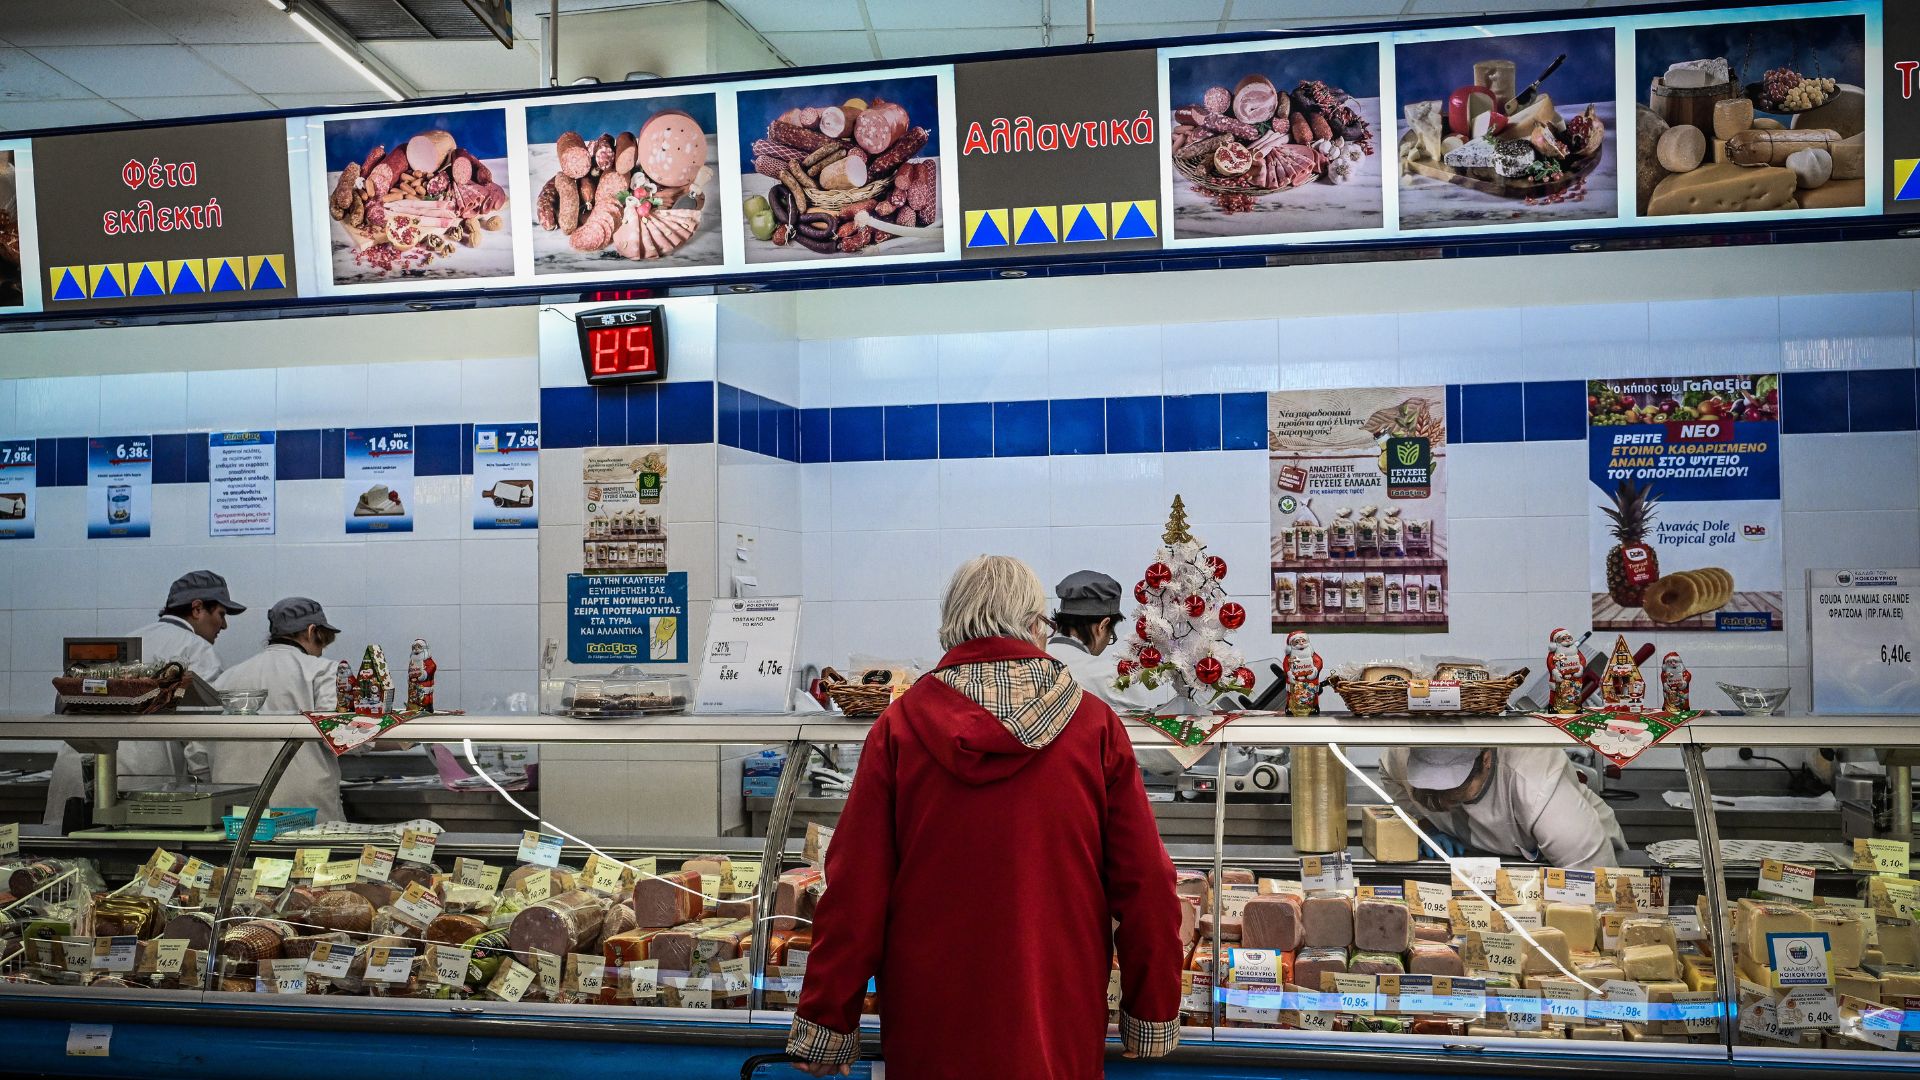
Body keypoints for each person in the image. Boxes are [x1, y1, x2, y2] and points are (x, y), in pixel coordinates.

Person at [787, 556, 1182, 1077]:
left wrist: (828, 1021)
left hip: (931, 1018)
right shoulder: (1093, 725)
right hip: (1056, 1017)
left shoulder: (901, 725)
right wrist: (1150, 1010)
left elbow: (856, 887)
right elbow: (1146, 883)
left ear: (951, 619)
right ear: (1035, 622)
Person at [42, 571, 246, 827]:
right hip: (137, 780)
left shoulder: (131, 639)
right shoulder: (196, 649)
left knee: (72, 862)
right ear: (197, 609)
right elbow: (202, 733)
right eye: (221, 614)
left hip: (78, 769)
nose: (224, 626)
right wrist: (209, 786)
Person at [208, 598, 346, 823]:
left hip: (237, 816)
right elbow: (342, 735)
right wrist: (403, 740)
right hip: (304, 814)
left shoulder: (226, 678)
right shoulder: (323, 671)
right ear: (312, 632)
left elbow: (197, 751)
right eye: (322, 643)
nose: (320, 653)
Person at [1378, 746, 1627, 870]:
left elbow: (1596, 884)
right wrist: (1425, 824)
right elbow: (1390, 775)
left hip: (1570, 860)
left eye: (1453, 792)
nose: (1440, 803)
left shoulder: (1535, 781)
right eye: (1430, 792)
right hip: (1486, 866)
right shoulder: (1400, 757)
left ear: (1486, 760)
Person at [1045, 570, 1183, 778]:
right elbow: (1158, 755)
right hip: (1083, 792)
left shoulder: (1033, 659)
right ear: (1103, 626)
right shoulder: (1107, 677)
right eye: (1111, 635)